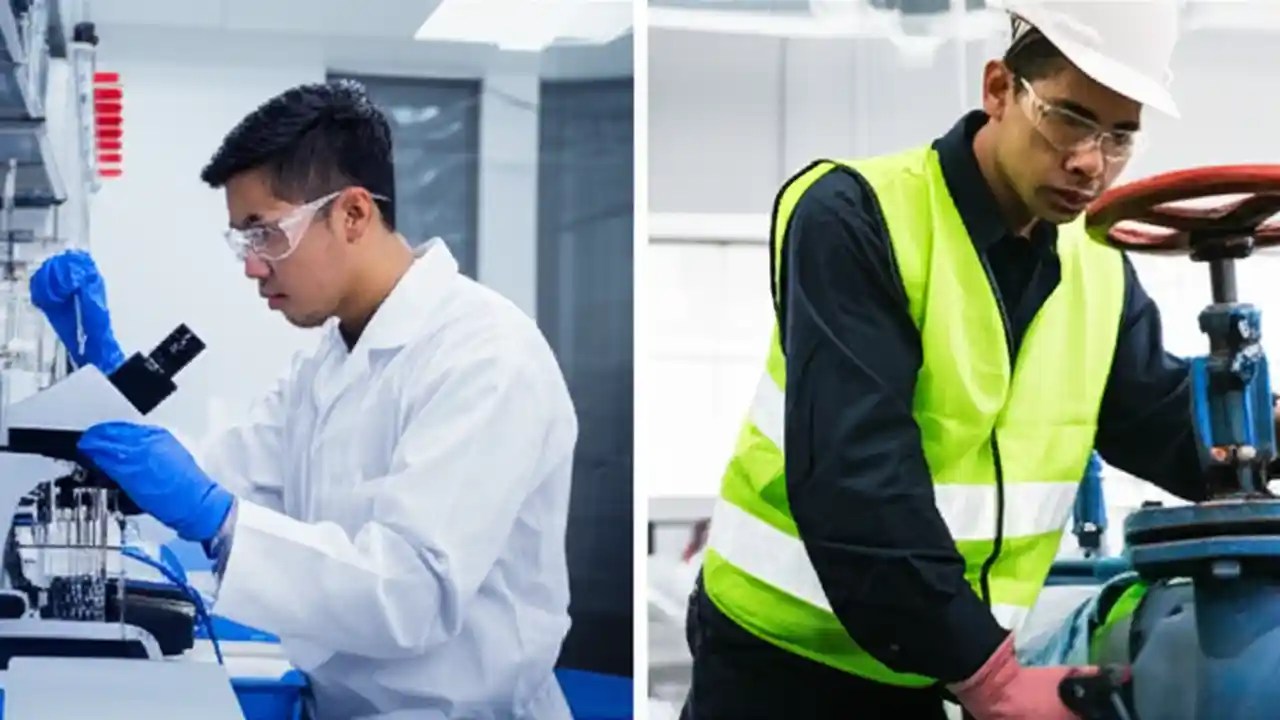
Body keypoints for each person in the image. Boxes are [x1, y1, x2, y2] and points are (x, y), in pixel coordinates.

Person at [681, 3, 1210, 719]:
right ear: (998, 90)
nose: (1091, 161)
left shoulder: (1097, 265)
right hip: (781, 663)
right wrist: (988, 678)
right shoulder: (856, 215)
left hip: (929, 667)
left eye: (1120, 136)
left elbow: (1162, 421)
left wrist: (1260, 439)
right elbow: (857, 477)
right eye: (1069, 119)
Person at [30, 79, 579, 720]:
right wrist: (103, 385)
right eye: (241, 241)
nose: (252, 267)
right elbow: (208, 476)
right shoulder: (329, 361)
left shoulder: (485, 355)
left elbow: (413, 592)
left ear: (351, 214)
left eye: (265, 234)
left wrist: (217, 518)